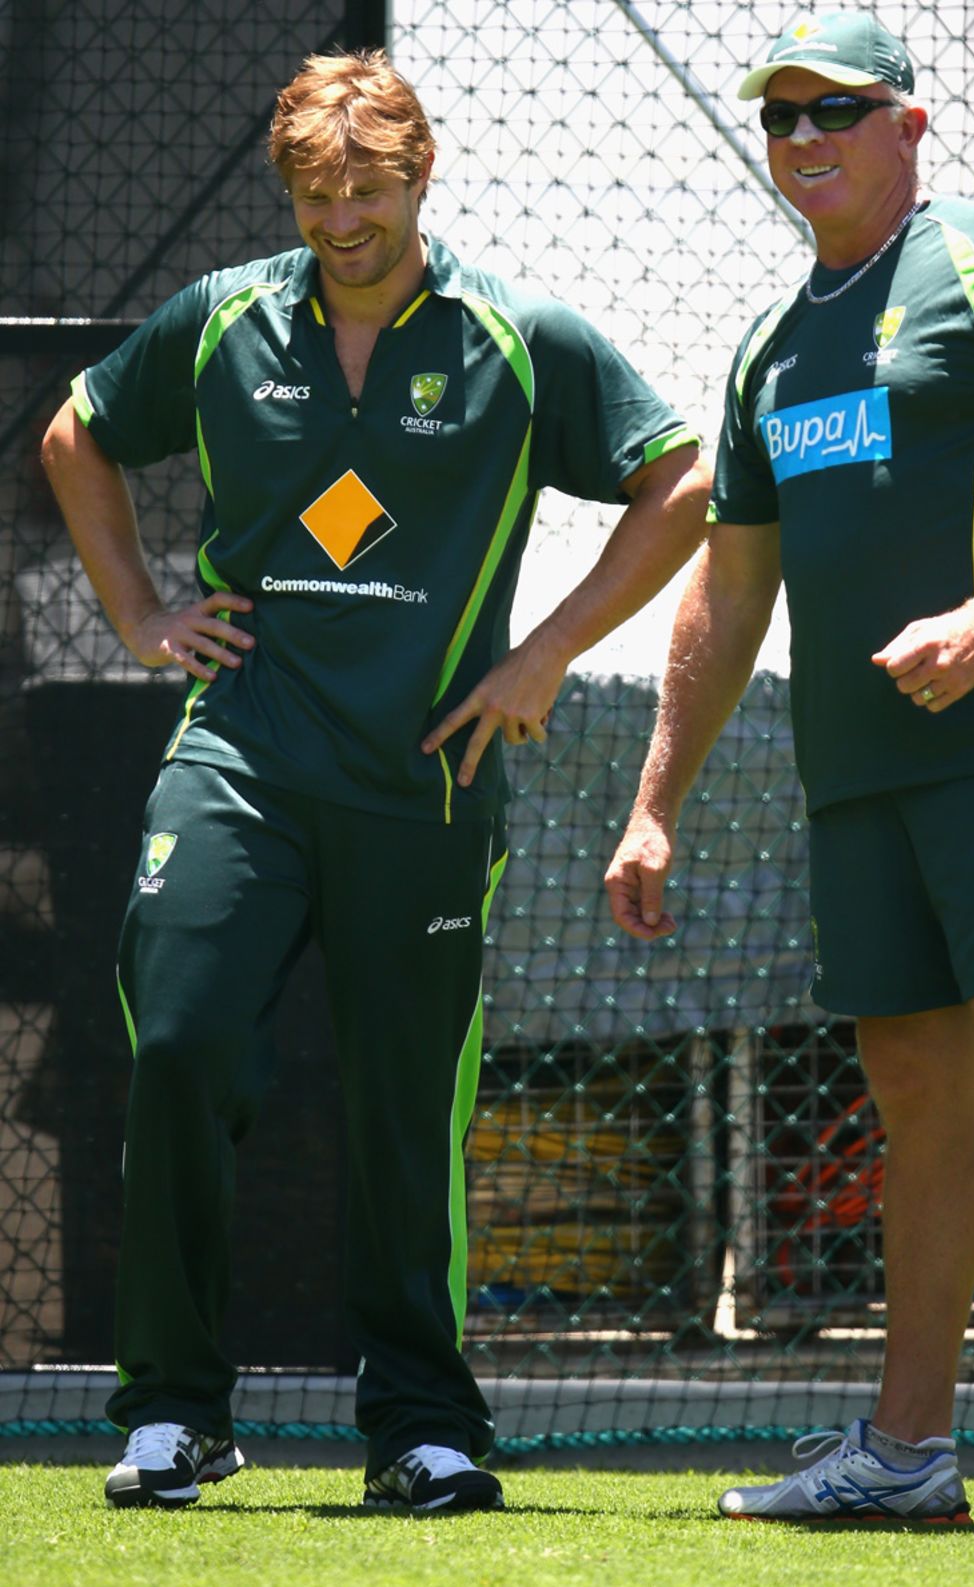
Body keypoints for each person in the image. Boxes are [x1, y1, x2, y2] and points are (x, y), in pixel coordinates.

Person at [41, 49, 710, 1513]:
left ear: (423, 175)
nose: (342, 222)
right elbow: (75, 433)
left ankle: (422, 1424)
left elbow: (681, 479)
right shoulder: (221, 320)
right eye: (315, 195)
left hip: (428, 782)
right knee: (180, 1045)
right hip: (242, 756)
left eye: (369, 191)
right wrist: (141, 612)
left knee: (407, 1110)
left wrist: (541, 657)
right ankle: (170, 1413)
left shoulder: (515, 336)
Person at [605, 10, 974, 1529]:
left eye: (834, 111)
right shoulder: (770, 349)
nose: (803, 140)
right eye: (782, 116)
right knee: (910, 1087)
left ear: (908, 124)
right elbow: (728, 594)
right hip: (853, 778)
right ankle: (907, 1450)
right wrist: (654, 802)